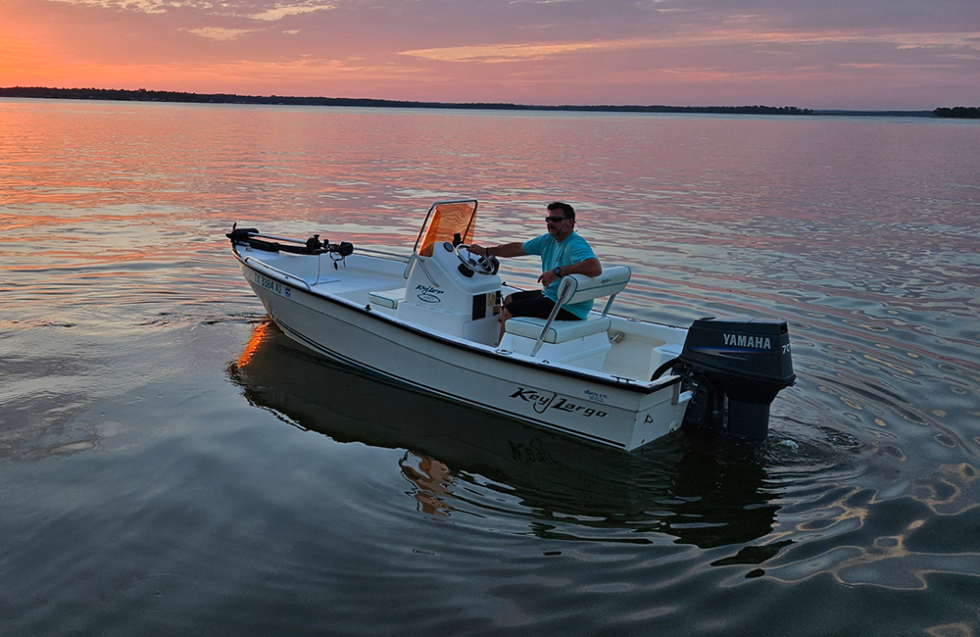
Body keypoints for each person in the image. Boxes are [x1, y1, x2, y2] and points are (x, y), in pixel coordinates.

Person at [470, 202, 602, 343]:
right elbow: (518, 249)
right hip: (552, 296)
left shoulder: (575, 244)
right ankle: (515, 338)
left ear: (570, 223)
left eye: (556, 219)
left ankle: (499, 351)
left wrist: (558, 271)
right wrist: (485, 251)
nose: (551, 223)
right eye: (548, 219)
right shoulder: (548, 240)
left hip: (569, 307)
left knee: (510, 310)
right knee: (509, 299)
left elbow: (595, 267)